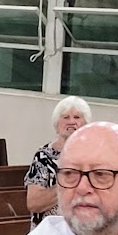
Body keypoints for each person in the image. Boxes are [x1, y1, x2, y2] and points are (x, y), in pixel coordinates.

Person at [25, 96, 91, 226]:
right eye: (65, 117)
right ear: (57, 125)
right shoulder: (43, 157)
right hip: (50, 229)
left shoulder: (94, 155)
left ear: (86, 125)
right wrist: (68, 183)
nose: (71, 122)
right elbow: (34, 203)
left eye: (77, 117)